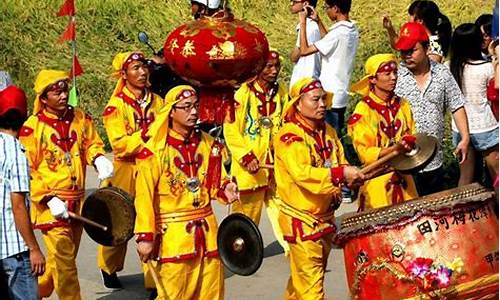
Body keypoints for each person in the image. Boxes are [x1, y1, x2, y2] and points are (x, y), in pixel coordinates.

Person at [135, 85, 239, 300]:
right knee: (173, 294)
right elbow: (144, 197)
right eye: (186, 107)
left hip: (209, 235)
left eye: (195, 106)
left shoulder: (209, 144)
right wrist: (145, 236)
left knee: (211, 293)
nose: (193, 112)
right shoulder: (154, 151)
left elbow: (213, 183)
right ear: (171, 111)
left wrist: (224, 188)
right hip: (173, 237)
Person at [19, 70, 113, 300]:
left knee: (61, 260)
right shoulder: (33, 127)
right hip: (52, 205)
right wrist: (49, 198)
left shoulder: (80, 117)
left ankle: (34, 293)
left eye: (65, 91)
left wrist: (98, 157)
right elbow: (27, 169)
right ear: (43, 98)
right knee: (67, 268)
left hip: (77, 203)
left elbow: (91, 143)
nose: (63, 96)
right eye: (56, 92)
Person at [274, 77, 364, 299]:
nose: (322, 104)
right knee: (312, 289)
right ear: (298, 103)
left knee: (303, 283)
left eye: (324, 99)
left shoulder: (329, 132)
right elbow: (302, 174)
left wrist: (350, 177)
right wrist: (340, 174)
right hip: (302, 222)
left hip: (325, 219)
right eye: (315, 99)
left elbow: (339, 162)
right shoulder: (289, 136)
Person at [99, 51, 165, 290]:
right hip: (126, 169)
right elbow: (120, 144)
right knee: (120, 221)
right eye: (135, 68)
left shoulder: (158, 101)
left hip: (153, 169)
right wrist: (148, 135)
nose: (142, 72)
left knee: (152, 221)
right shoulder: (115, 106)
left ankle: (152, 281)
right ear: (123, 74)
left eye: (144, 67)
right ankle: (109, 266)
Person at [223, 50, 289, 254]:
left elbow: (287, 121)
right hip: (251, 166)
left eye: (276, 66)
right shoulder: (243, 94)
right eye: (268, 66)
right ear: (258, 68)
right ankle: (240, 251)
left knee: (283, 206)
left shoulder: (281, 92)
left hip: (275, 163)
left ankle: (291, 245)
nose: (274, 71)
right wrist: (246, 156)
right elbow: (231, 129)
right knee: (247, 212)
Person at [394, 22, 470, 196]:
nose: (406, 56)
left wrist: (464, 138)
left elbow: (457, 105)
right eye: (403, 51)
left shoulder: (442, 74)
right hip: (402, 161)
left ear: (427, 48)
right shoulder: (396, 77)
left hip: (433, 160)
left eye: (412, 50)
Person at [348, 54, 418, 211]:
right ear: (372, 79)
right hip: (377, 180)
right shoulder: (363, 110)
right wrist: (394, 150)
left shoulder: (403, 104)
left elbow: (412, 134)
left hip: (404, 177)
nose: (393, 77)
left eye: (395, 73)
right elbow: (365, 152)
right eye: (387, 73)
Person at [0, 86, 45, 300]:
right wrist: (34, 248)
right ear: (24, 116)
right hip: (14, 250)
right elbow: (18, 206)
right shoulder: (15, 153)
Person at [296, 0, 359, 135]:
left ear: (335, 8)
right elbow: (329, 42)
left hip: (330, 95)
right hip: (341, 93)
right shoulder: (351, 29)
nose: (326, 11)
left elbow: (304, 50)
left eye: (327, 8)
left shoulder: (337, 33)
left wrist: (303, 23)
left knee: (329, 137)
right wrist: (318, 21)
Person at [449, 23, 498, 187]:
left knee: (466, 180)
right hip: (486, 127)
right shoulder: (486, 68)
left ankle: (462, 211)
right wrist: (493, 56)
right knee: (496, 177)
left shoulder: (449, 67)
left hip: (460, 129)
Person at [383, 0, 452, 63]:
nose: (408, 19)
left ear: (419, 21)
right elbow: (398, 45)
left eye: (411, 15)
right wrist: (390, 29)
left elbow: (432, 69)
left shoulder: (434, 44)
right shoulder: (415, 37)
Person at [289, 0, 321, 88]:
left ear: (305, 4)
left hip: (304, 80)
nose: (291, 4)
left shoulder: (307, 26)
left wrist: (291, 55)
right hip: (310, 78)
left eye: (294, 2)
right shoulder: (315, 25)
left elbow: (295, 56)